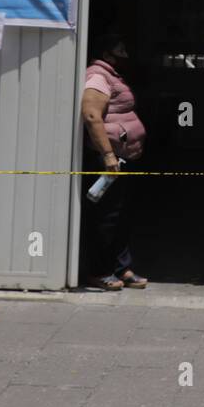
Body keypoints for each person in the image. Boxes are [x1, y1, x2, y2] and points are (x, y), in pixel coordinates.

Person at [79, 33, 148, 290]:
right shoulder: (97, 76)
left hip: (125, 158)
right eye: (121, 50)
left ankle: (122, 267)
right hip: (108, 160)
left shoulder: (112, 75)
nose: (126, 55)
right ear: (108, 53)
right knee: (106, 217)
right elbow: (91, 114)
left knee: (122, 215)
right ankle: (99, 271)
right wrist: (108, 155)